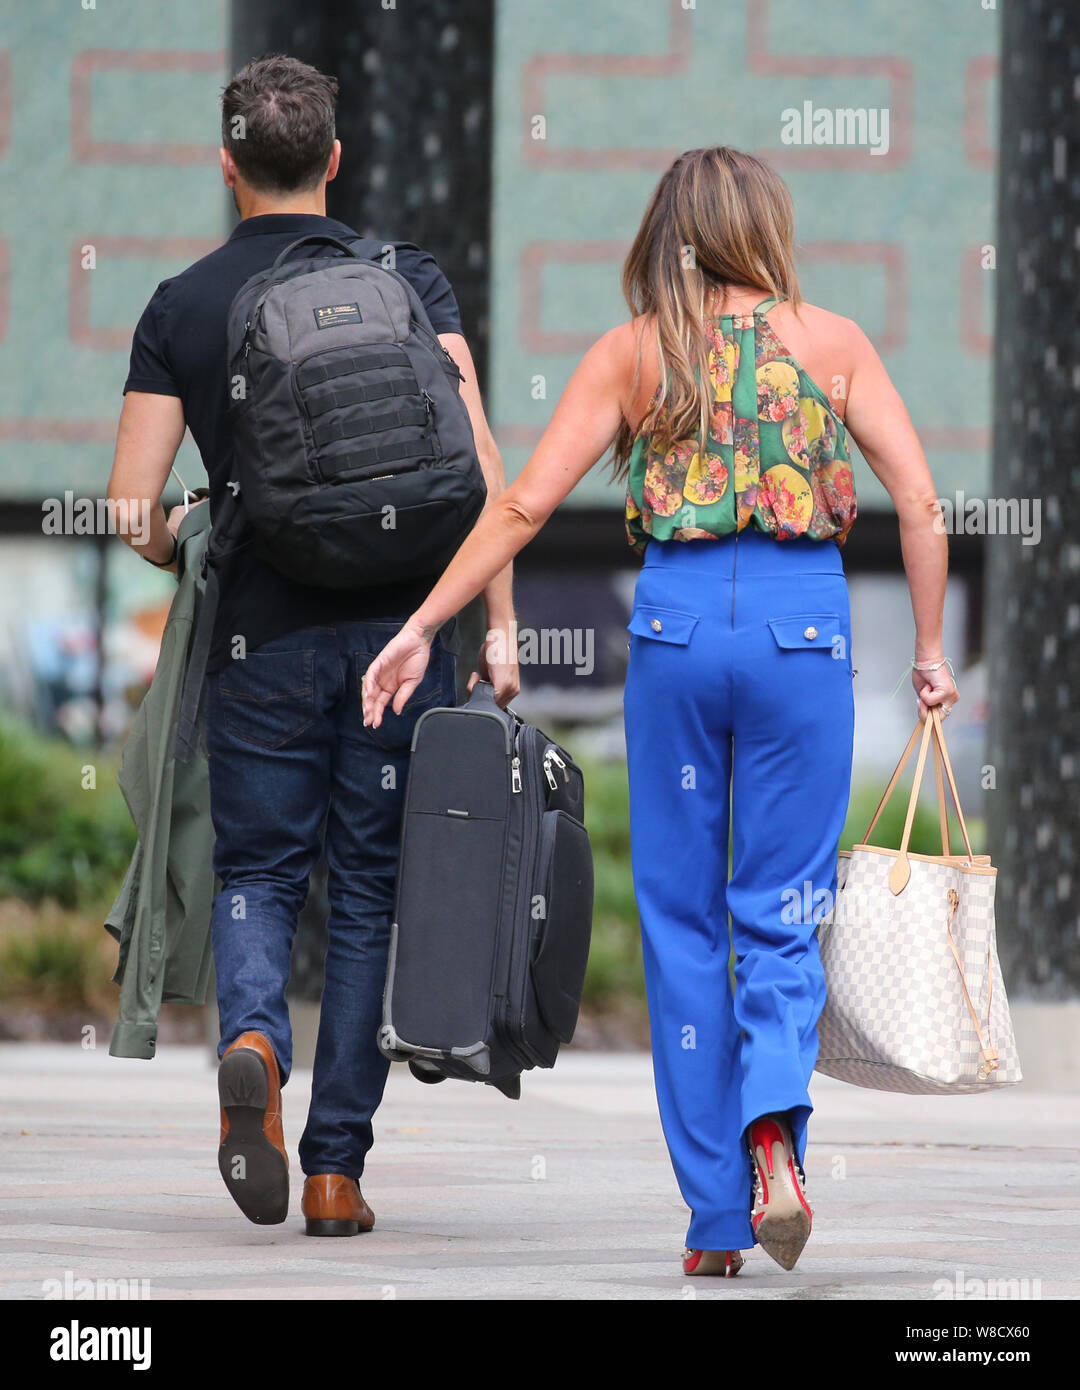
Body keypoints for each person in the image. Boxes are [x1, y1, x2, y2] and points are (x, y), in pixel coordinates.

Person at [362, 145, 959, 1275]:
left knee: (685, 923)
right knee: (782, 898)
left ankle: (716, 1220)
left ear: (664, 234)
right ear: (766, 231)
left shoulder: (635, 353)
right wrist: (928, 651)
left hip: (679, 630)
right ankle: (775, 1129)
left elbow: (526, 500)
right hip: (799, 629)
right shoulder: (831, 344)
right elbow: (921, 502)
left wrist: (425, 623)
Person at [106, 53, 519, 1235]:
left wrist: (193, 528)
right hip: (402, 640)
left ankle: (252, 1041)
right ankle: (337, 1172)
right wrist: (496, 629)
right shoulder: (410, 278)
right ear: (335, 160)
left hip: (260, 645)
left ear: (226, 163)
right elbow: (486, 474)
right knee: (370, 894)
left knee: (260, 873)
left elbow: (133, 506)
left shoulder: (181, 305)